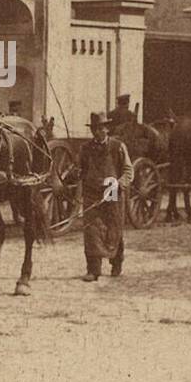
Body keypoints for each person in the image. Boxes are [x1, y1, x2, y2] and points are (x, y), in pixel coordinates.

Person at [79, 112, 132, 282]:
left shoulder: (118, 147)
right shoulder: (85, 149)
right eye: (94, 129)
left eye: (101, 128)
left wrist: (119, 183)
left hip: (113, 193)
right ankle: (93, 270)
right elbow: (80, 170)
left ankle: (117, 262)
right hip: (92, 193)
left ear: (107, 129)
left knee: (113, 228)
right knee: (91, 230)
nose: (98, 132)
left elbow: (128, 171)